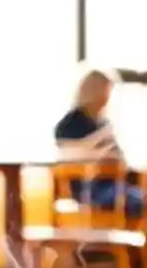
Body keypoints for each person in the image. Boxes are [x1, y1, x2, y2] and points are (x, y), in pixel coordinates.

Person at [53, 66, 142, 219]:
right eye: (105, 90)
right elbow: (73, 157)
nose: (107, 97)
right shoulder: (69, 125)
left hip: (111, 182)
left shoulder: (101, 123)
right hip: (89, 188)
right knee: (138, 202)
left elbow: (114, 154)